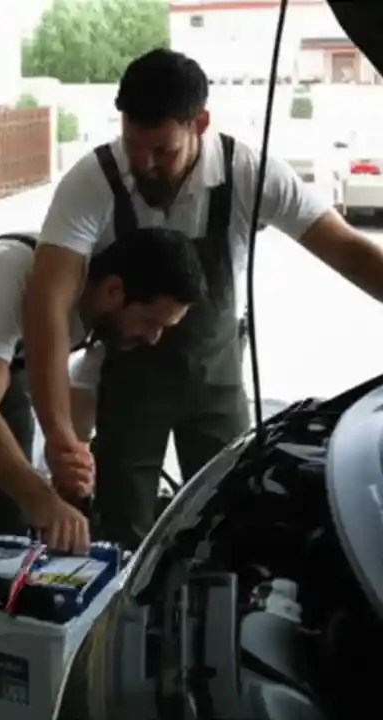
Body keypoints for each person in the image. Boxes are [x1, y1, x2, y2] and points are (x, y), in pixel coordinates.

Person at [25, 48, 383, 551]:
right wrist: (60, 431)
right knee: (119, 529)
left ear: (200, 123)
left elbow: (346, 246)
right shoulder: (94, 180)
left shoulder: (249, 174)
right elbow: (47, 301)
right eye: (134, 147)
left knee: (231, 521)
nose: (145, 165)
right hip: (129, 385)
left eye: (162, 151)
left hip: (217, 381)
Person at [0, 226, 207, 720]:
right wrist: (44, 497)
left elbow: (71, 395)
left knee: (5, 510)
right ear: (115, 291)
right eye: (151, 322)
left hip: (3, 360)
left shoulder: (102, 313)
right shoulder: (8, 274)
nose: (152, 337)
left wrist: (72, 459)